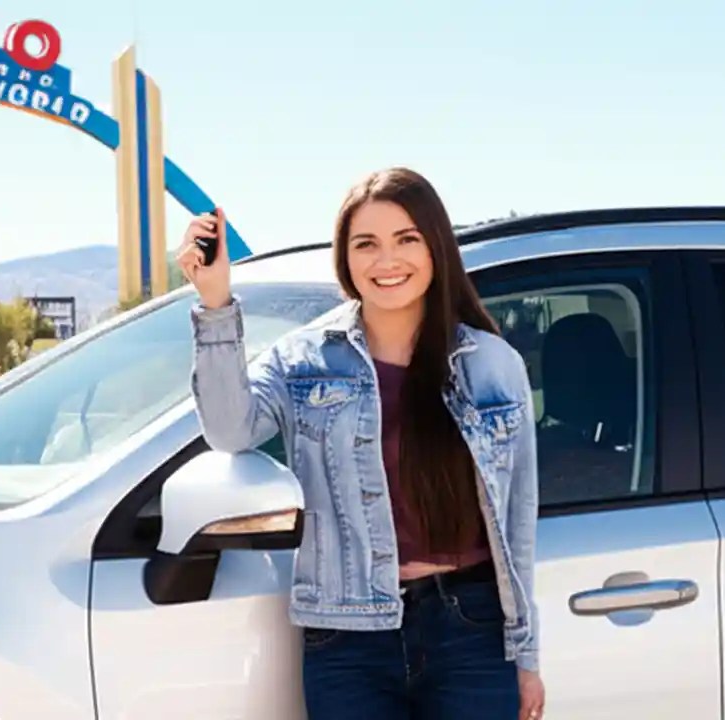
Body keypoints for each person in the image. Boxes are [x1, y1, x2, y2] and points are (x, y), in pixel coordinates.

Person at [176, 167, 544, 720]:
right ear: (345, 258)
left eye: (406, 239)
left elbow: (519, 520)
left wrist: (527, 656)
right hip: (346, 638)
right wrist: (215, 301)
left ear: (435, 247)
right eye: (365, 244)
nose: (386, 260)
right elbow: (230, 428)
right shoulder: (303, 361)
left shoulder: (493, 365)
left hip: (471, 631)